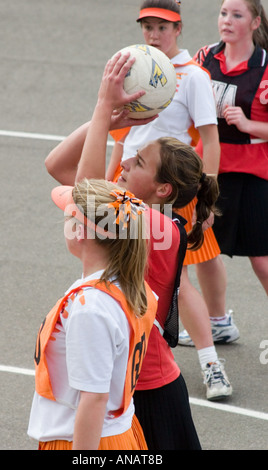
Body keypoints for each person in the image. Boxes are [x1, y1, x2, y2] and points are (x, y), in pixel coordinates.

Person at [44, 51, 222, 449]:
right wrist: (105, 123)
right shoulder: (130, 208)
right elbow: (57, 165)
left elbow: (87, 195)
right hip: (122, 378)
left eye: (138, 161)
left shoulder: (156, 226)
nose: (124, 160)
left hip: (150, 388)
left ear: (163, 190)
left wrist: (104, 106)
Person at [106, 0, 236, 399]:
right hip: (130, 183)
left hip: (167, 188)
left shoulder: (193, 76)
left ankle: (210, 363)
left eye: (162, 27)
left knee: (177, 279)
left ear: (178, 29)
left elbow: (209, 140)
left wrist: (204, 198)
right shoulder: (135, 66)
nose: (153, 34)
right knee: (126, 272)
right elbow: (123, 135)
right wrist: (111, 183)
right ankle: (135, 351)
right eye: (147, 26)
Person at [28, 177, 159, 450]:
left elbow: (94, 398)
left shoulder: (91, 308)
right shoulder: (129, 286)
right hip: (116, 432)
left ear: (80, 232)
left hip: (85, 440)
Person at [194, 0, 268, 296]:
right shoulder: (205, 58)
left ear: (255, 23)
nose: (227, 20)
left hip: (253, 175)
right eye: (224, 13)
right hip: (209, 169)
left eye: (237, 15)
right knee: (201, 250)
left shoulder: (264, 68)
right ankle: (218, 321)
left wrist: (250, 125)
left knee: (262, 261)